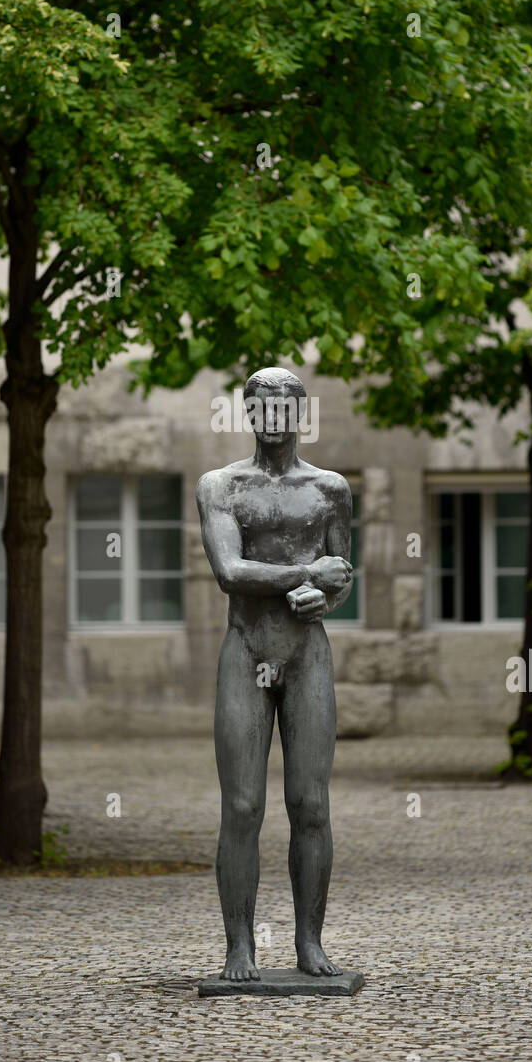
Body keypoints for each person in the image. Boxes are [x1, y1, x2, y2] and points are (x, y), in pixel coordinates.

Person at [196, 367, 353, 980]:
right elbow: (230, 572)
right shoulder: (221, 485)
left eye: (285, 407)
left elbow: (341, 574)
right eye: (261, 408)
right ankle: (240, 946)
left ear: (300, 413)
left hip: (307, 655)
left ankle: (309, 944)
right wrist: (308, 575)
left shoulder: (331, 489)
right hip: (246, 649)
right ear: (249, 414)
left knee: (311, 804)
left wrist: (328, 594)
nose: (274, 418)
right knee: (240, 806)